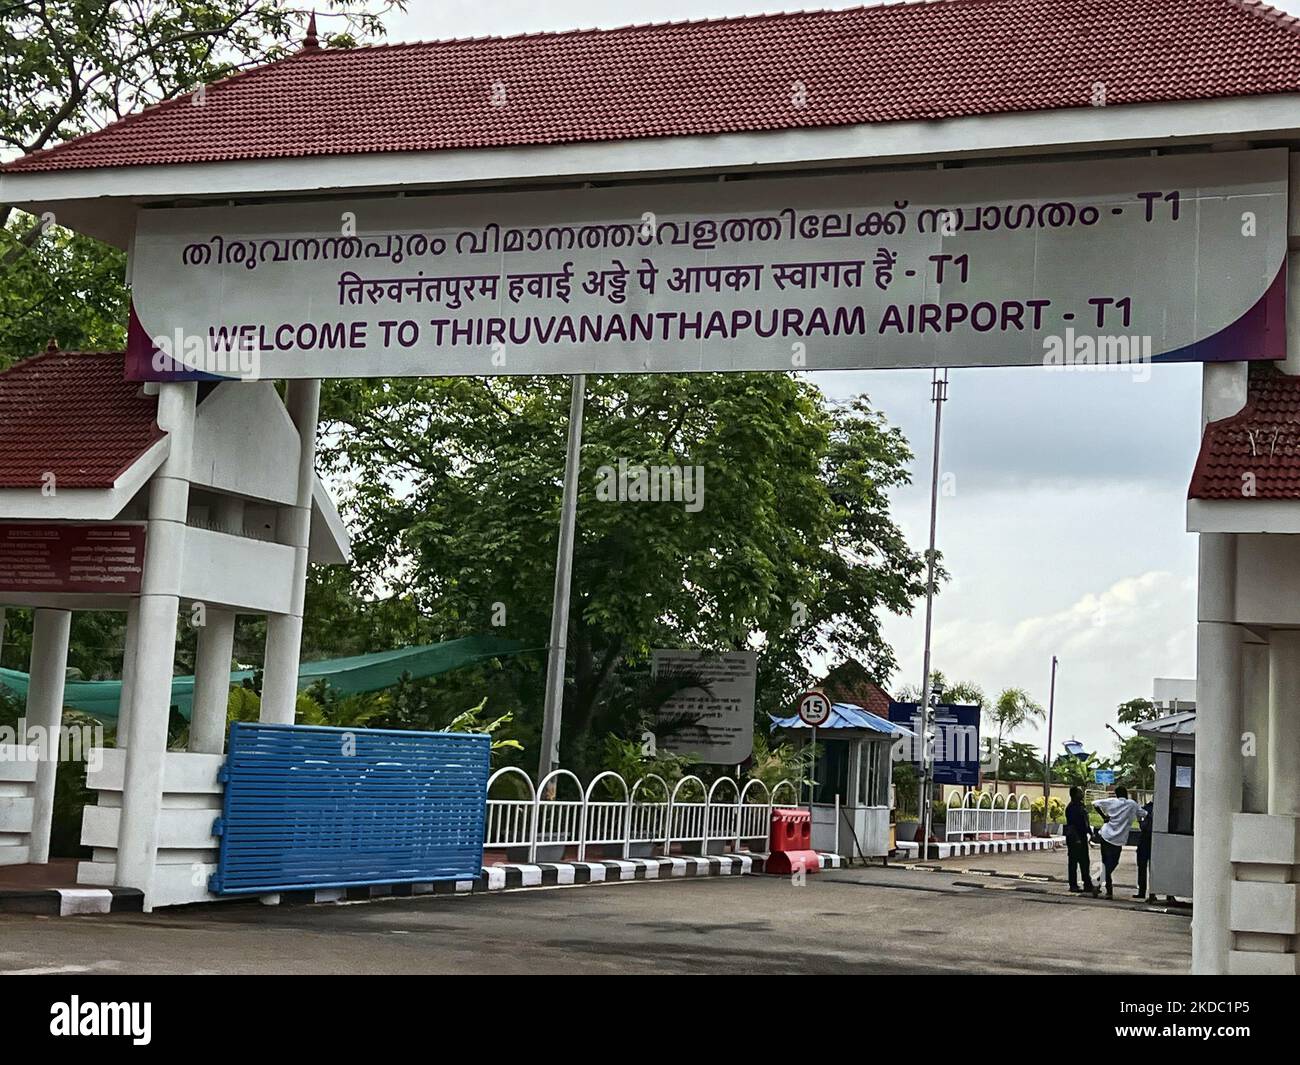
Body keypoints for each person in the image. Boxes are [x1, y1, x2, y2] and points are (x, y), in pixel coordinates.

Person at [1093, 786, 1141, 899]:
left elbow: (1095, 803)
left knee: (1106, 863)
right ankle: (1099, 882)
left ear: (1116, 794)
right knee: (1113, 863)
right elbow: (1143, 813)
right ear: (1126, 794)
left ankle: (1108, 891)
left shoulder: (1112, 801)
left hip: (1105, 835)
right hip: (1117, 839)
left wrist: (1104, 817)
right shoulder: (1132, 804)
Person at [1063, 786, 1094, 895]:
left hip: (1082, 837)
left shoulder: (1081, 806)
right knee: (1073, 862)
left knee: (1085, 862)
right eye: (1080, 792)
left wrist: (1090, 832)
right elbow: (1071, 825)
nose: (1082, 794)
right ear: (1074, 794)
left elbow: (1085, 821)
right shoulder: (1071, 808)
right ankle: (1073, 885)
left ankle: (1087, 884)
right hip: (1074, 838)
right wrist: (1076, 839)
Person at [1134, 799, 1155, 902]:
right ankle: (1153, 893)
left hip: (1144, 840)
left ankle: (1142, 891)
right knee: (1154, 868)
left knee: (1142, 866)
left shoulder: (1145, 808)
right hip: (1155, 840)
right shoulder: (1161, 808)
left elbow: (1142, 824)